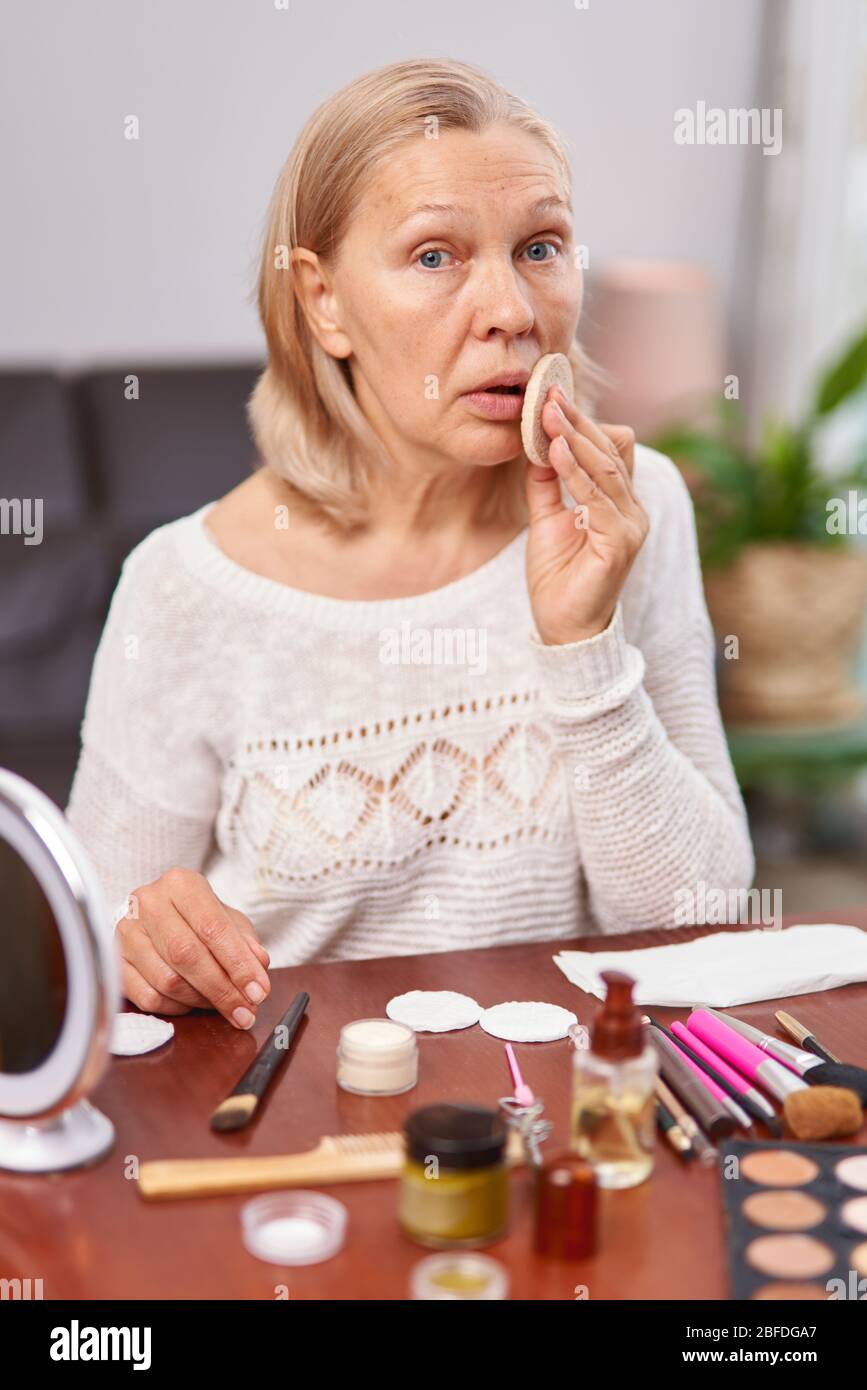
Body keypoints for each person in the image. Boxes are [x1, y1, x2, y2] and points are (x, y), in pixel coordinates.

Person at [66, 58, 754, 1029]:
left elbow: (696, 919)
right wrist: (143, 941)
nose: (513, 311)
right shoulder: (185, 588)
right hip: (292, 1121)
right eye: (435, 256)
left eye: (541, 247)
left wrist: (581, 642)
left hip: (548, 1119)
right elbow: (86, 949)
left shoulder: (629, 509)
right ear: (323, 301)